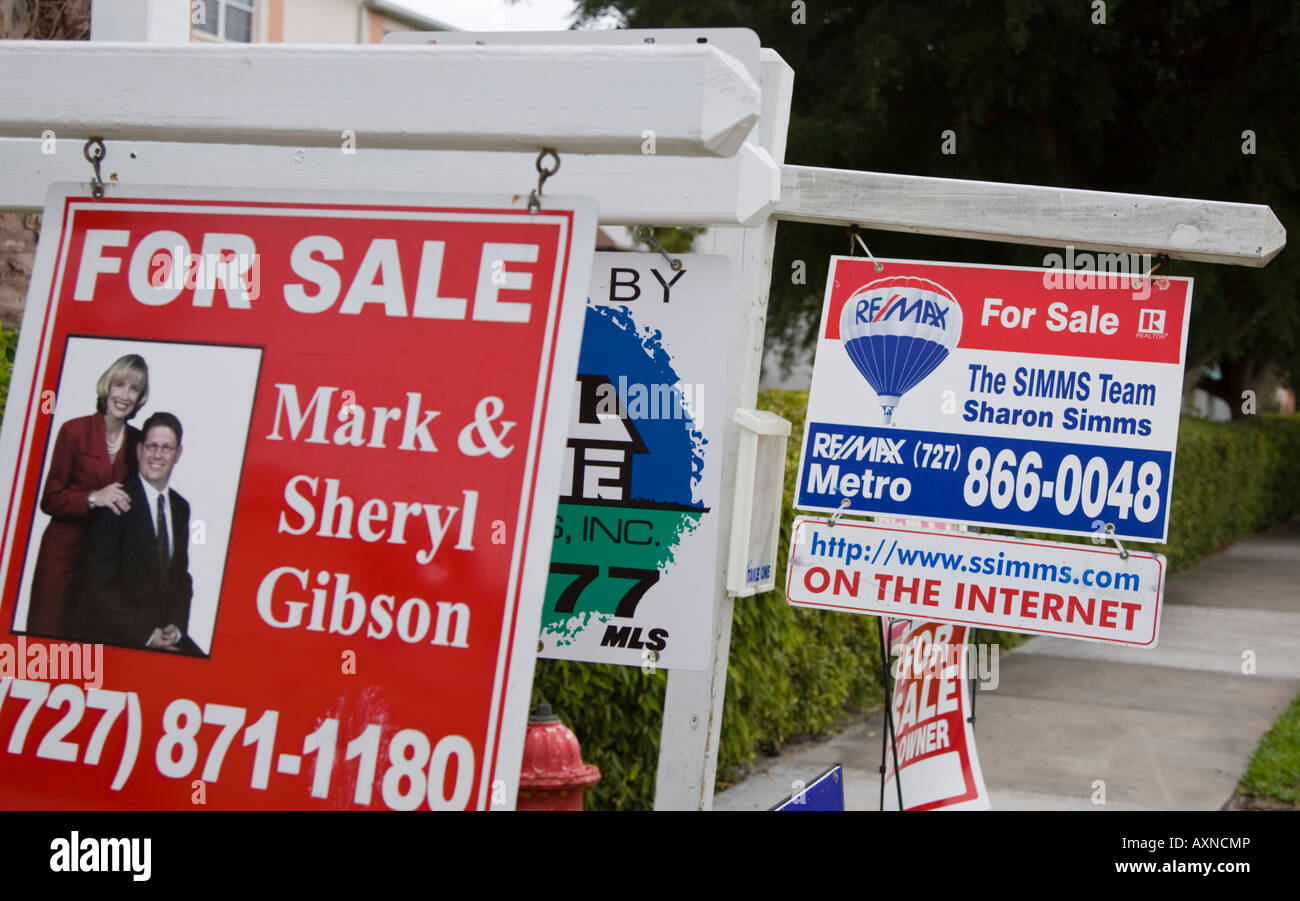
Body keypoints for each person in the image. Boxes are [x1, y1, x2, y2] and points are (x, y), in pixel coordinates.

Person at [26, 354, 149, 637]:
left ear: (140, 398)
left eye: (134, 389)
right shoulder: (74, 430)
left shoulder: (138, 443)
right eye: (120, 385)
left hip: (102, 568)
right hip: (62, 558)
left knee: (85, 650)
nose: (124, 395)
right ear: (107, 386)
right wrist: (94, 497)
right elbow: (50, 499)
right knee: (46, 640)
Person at [78, 412, 201, 655]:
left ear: (178, 454)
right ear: (139, 451)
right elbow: (98, 588)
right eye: (152, 446)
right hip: (116, 637)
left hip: (162, 633)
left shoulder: (180, 507)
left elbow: (180, 577)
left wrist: (176, 628)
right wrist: (145, 634)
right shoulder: (115, 502)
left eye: (167, 448)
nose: (157, 455)